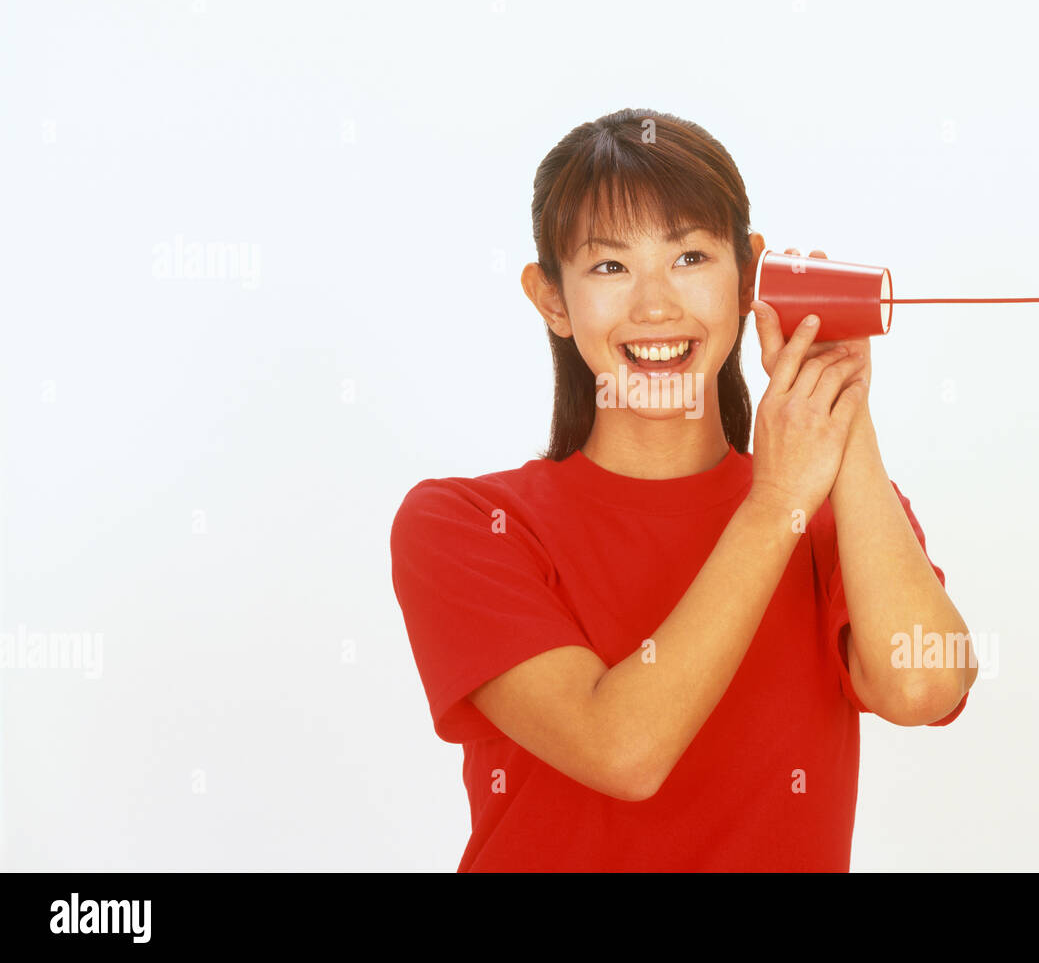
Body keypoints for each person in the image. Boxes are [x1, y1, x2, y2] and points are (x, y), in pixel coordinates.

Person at [389, 107, 978, 872]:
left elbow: (924, 683)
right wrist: (773, 506)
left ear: (749, 276)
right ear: (552, 299)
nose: (656, 306)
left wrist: (839, 393)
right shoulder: (466, 524)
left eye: (692, 257)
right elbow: (623, 749)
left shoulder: (836, 511)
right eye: (609, 267)